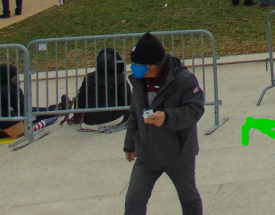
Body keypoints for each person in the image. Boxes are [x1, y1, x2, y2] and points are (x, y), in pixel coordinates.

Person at [123, 32, 204, 215]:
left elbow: (195, 109)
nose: (134, 68)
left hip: (178, 153)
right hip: (147, 154)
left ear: (152, 65)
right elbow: (134, 113)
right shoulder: (138, 81)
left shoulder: (183, 79)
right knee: (133, 201)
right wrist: (130, 144)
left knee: (189, 198)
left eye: (138, 65)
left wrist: (167, 117)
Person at [70, 48, 133, 131]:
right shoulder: (119, 78)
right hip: (113, 119)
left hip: (88, 122)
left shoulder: (89, 77)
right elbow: (127, 101)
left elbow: (80, 102)